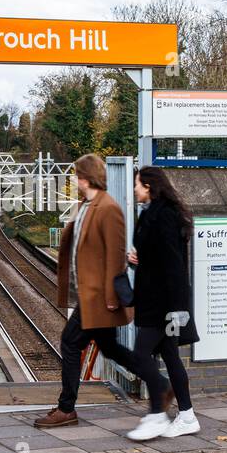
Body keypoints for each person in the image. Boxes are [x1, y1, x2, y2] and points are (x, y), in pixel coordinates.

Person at [34, 153, 140, 428]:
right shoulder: (87, 205)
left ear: (85, 177)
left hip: (98, 298)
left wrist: (110, 297)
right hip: (89, 295)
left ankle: (66, 408)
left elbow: (116, 255)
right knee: (111, 349)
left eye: (77, 175)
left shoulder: (108, 208)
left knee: (70, 343)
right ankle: (160, 383)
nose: (75, 179)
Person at [124, 166, 199, 441]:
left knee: (140, 356)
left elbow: (174, 266)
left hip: (163, 306)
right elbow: (157, 259)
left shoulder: (164, 216)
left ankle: (158, 413)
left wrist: (178, 310)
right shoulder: (153, 213)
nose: (134, 189)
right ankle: (187, 415)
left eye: (137, 184)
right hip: (157, 301)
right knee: (170, 357)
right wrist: (138, 260)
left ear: (149, 186)